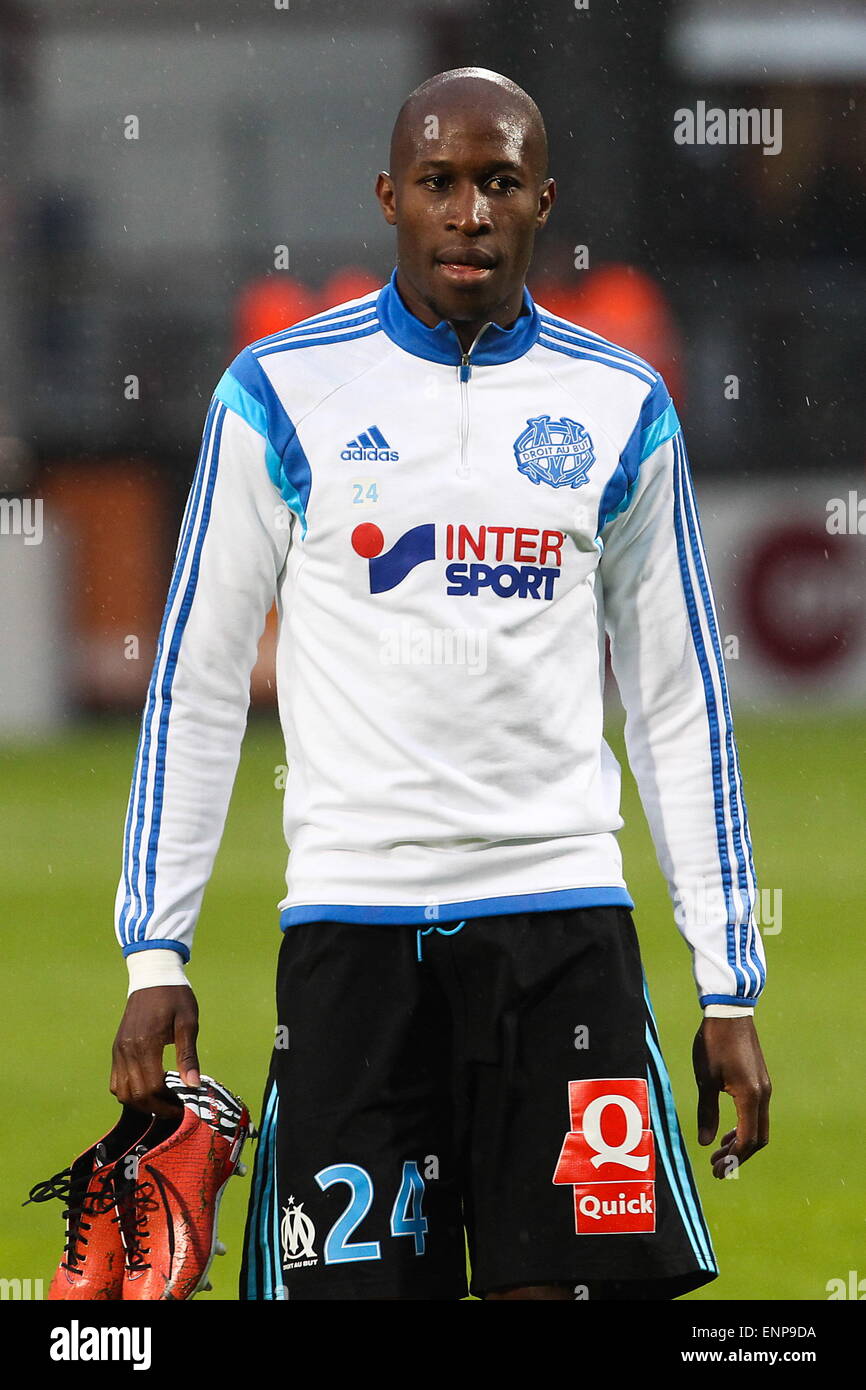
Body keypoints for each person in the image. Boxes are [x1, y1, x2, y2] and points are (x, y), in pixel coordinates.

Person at [110, 67, 771, 1301]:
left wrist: (725, 977)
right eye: (440, 183)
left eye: (497, 184)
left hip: (561, 925)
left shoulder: (620, 403)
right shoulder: (276, 394)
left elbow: (681, 701)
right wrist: (157, 954)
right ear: (388, 198)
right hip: (351, 936)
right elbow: (194, 684)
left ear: (541, 203)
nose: (468, 211)